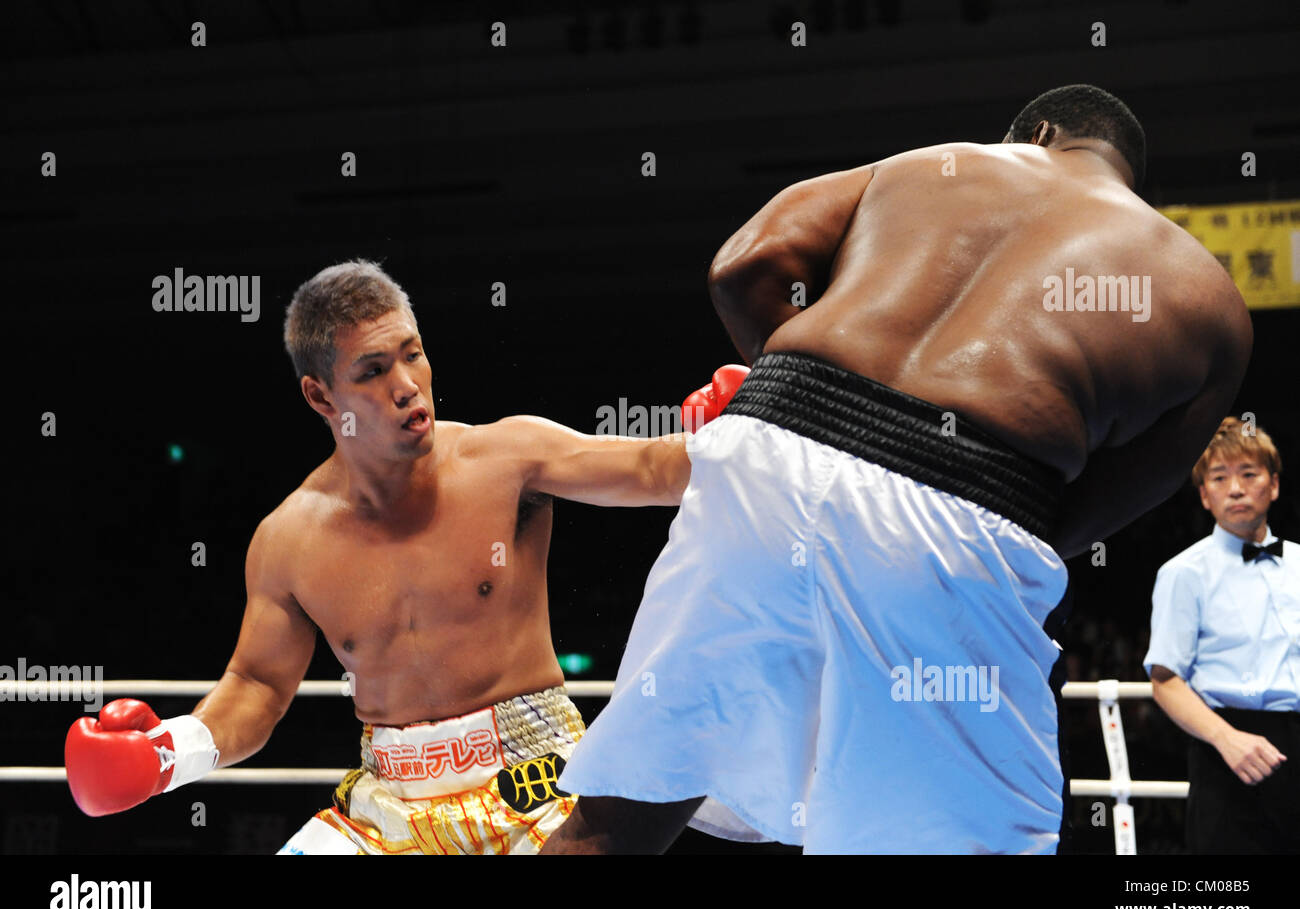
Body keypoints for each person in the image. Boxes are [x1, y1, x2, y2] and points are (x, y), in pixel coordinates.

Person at [543, 84, 1253, 854]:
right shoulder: (1207, 298)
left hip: (763, 461)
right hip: (961, 514)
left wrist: (809, 398)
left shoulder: (932, 165)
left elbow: (743, 263)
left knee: (620, 820)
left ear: (1035, 133)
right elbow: (1101, 510)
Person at [64, 259, 694, 855]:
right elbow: (257, 686)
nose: (406, 387)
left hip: (538, 787)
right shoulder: (289, 538)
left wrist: (739, 424)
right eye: (371, 371)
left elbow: (651, 467)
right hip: (386, 807)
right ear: (320, 397)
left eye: (412, 354)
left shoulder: (507, 459)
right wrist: (171, 751)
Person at [1145, 416, 1299, 853]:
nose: (1235, 488)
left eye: (1248, 474)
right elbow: (1165, 679)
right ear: (1204, 496)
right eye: (1220, 477)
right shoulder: (1182, 573)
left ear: (1273, 485)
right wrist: (1224, 737)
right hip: (1227, 751)